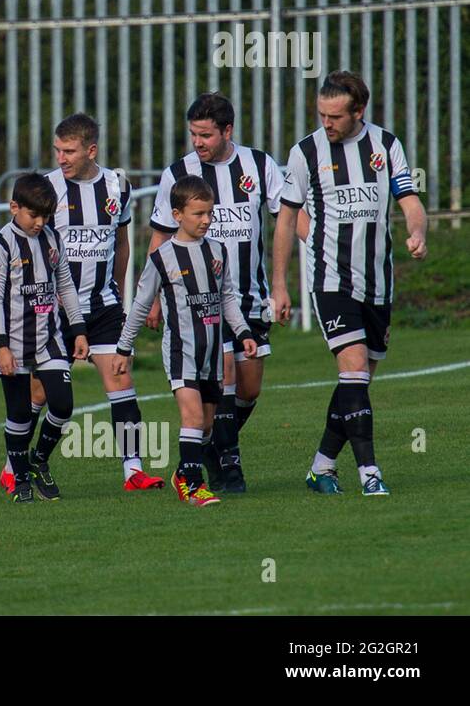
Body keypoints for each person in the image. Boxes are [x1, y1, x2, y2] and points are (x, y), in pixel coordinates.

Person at [270, 71, 427, 497]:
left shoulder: (386, 145)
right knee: (354, 368)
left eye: (335, 116)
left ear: (359, 111)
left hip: (377, 282)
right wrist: (280, 286)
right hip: (330, 279)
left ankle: (321, 466)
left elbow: (410, 200)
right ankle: (370, 475)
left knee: (356, 382)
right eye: (321, 114)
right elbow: (286, 220)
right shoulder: (305, 152)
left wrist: (418, 232)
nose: (327, 123)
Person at [146, 93, 283, 492]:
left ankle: (205, 447)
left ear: (227, 131)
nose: (198, 142)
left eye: (205, 134)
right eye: (193, 134)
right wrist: (153, 295)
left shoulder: (258, 165)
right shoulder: (179, 173)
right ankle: (228, 466)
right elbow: (160, 233)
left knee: (248, 387)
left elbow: (286, 218)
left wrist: (283, 281)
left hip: (250, 297)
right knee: (221, 381)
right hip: (198, 303)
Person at [25, 112, 164, 493]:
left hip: (103, 305)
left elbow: (121, 243)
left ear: (91, 150)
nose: (61, 158)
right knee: (40, 392)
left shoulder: (118, 186)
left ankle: (133, 471)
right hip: (56, 310)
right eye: (57, 150)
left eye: (69, 151)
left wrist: (118, 294)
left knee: (121, 379)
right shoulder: (47, 188)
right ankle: (16, 465)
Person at [115, 177, 259, 507]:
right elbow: (139, 305)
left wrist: (244, 333)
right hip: (182, 353)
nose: (206, 220)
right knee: (192, 418)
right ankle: (194, 487)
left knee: (206, 425)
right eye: (198, 214)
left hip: (212, 353)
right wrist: (124, 348)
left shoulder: (217, 251)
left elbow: (227, 299)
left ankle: (183, 472)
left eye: (209, 213)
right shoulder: (161, 258)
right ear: (177, 215)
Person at [0, 172, 89, 503]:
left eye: (47, 215)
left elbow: (66, 286)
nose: (40, 222)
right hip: (13, 343)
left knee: (62, 405)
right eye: (34, 215)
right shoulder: (0, 245)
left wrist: (79, 329)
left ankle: (38, 460)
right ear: (14, 207)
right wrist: (1, 347)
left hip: (50, 340)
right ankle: (19, 479)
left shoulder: (52, 239)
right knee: (18, 415)